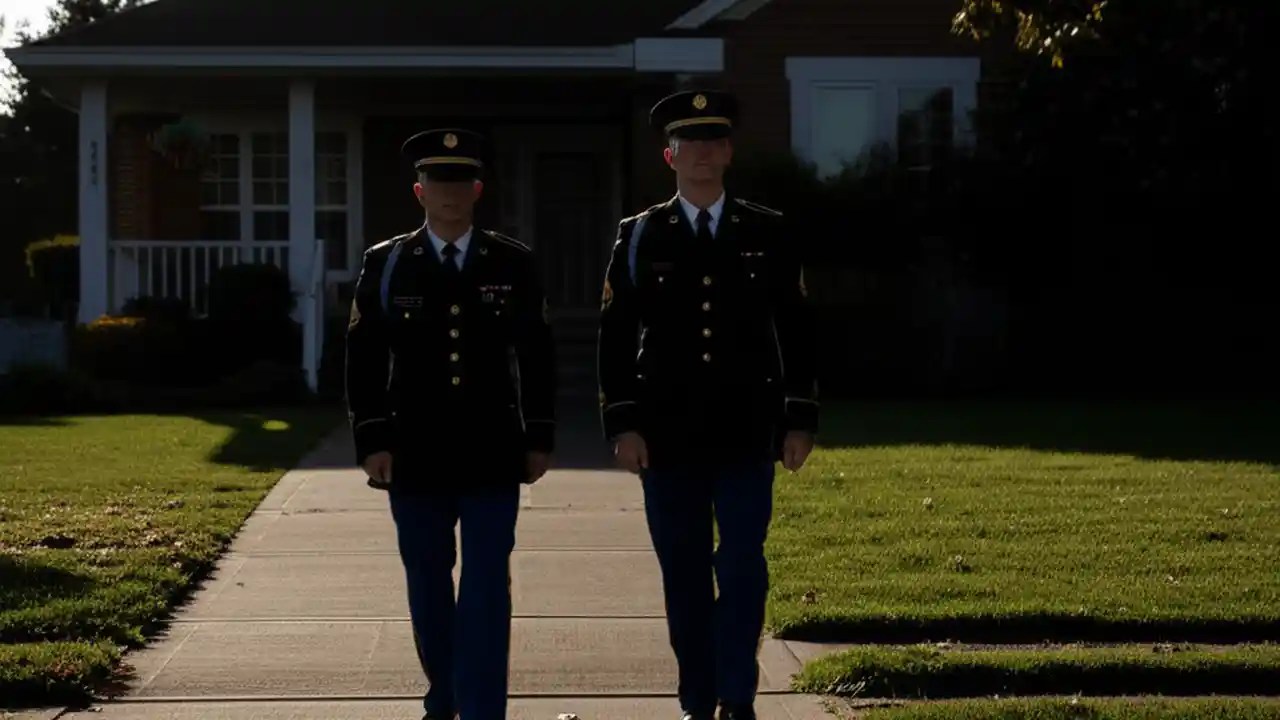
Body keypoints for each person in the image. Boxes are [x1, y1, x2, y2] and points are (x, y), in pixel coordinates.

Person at [595, 90, 819, 720]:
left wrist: (800, 418)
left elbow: (796, 329)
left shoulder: (767, 231)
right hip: (667, 436)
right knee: (686, 575)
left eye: (712, 142)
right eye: (687, 144)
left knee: (743, 566)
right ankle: (698, 697)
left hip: (749, 430)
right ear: (669, 155)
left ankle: (736, 694)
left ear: (727, 152)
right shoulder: (639, 237)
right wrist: (623, 424)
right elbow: (614, 338)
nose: (700, 154)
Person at [344, 128, 557, 720]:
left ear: (478, 189)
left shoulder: (512, 263)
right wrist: (371, 439)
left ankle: (483, 707)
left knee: (488, 585)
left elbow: (537, 355)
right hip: (415, 451)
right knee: (429, 584)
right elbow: (362, 359)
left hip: (493, 449)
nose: (450, 192)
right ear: (419, 190)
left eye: (461, 180)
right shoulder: (386, 264)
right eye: (438, 181)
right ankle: (444, 696)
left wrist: (538, 436)